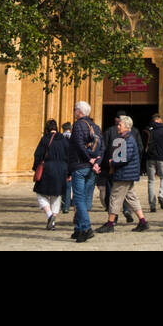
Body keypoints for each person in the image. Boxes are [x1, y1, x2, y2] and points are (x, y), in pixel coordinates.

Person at [99, 115, 149, 233]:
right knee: (131, 198)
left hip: (124, 174)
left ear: (126, 126)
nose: (118, 126)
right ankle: (143, 222)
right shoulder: (125, 139)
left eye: (120, 125)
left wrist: (113, 162)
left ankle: (110, 223)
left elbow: (125, 158)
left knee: (114, 197)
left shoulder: (128, 140)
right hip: (127, 173)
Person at [68, 101, 104, 243]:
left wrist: (89, 159)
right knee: (84, 198)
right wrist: (96, 163)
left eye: (75, 109)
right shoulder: (95, 126)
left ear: (80, 112)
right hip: (91, 169)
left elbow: (77, 144)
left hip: (79, 165)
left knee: (79, 199)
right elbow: (102, 147)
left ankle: (86, 228)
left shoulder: (78, 124)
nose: (74, 111)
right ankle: (78, 229)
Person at [32, 118, 69, 229]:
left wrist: (36, 168)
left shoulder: (45, 139)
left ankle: (49, 216)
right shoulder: (64, 140)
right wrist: (69, 172)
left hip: (47, 168)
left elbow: (38, 155)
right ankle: (53, 220)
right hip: (62, 169)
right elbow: (70, 155)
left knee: (40, 193)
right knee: (56, 195)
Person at [144, 114, 163, 212]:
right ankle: (161, 195)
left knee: (151, 180)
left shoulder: (147, 130)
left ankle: (152, 204)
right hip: (161, 158)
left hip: (150, 158)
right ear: (159, 120)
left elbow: (144, 144)